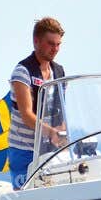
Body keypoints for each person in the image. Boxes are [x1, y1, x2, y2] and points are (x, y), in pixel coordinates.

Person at [9, 16, 67, 186]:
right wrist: (52, 133)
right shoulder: (22, 72)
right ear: (36, 41)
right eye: (50, 43)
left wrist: (61, 135)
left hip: (49, 151)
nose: (55, 49)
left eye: (58, 44)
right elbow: (27, 115)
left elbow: (61, 112)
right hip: (23, 150)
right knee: (24, 198)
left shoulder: (59, 72)